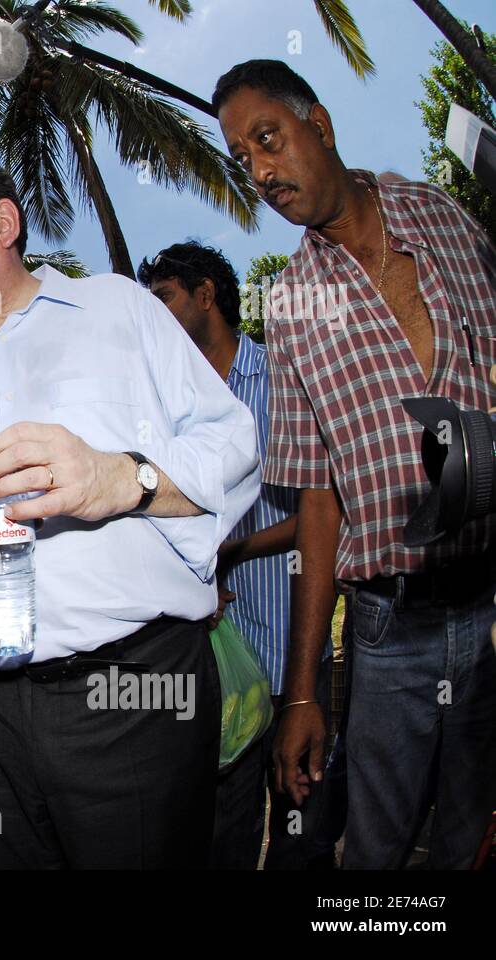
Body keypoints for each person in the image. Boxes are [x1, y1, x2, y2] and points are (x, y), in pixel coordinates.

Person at [0, 147, 260, 869]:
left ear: (3, 222)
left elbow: (234, 444)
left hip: (136, 690)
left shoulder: (118, 307)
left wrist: (127, 479)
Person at [215, 59, 496, 869]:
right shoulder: (294, 304)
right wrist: (302, 692)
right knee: (374, 851)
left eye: (268, 140)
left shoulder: (440, 214)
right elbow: (316, 500)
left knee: (470, 832)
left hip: (490, 601)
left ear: (320, 124)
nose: (262, 172)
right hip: (389, 626)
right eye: (243, 160)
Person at [139, 240, 339, 870]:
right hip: (220, 658)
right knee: (222, 832)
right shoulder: (167, 407)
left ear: (206, 295)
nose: (156, 314)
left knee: (300, 835)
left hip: (290, 643)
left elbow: (323, 507)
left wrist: (232, 551)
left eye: (165, 297)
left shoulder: (282, 379)